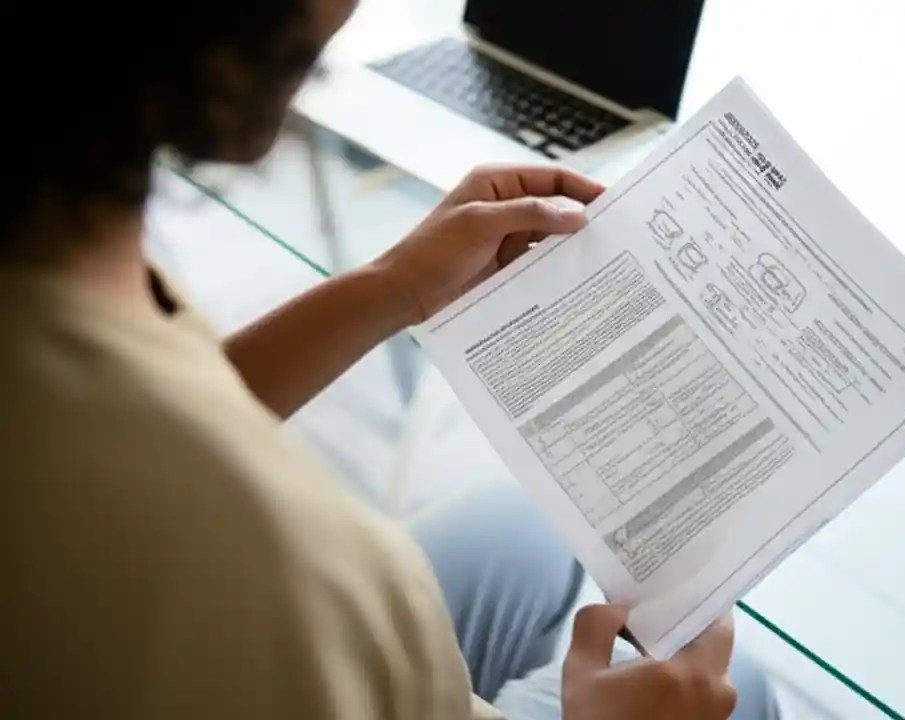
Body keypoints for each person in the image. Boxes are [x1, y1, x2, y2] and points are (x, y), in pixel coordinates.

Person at [0, 1, 782, 719]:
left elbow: (151, 421)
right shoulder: (307, 581)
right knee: (735, 686)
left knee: (530, 531)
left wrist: (390, 287)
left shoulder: (53, 282)